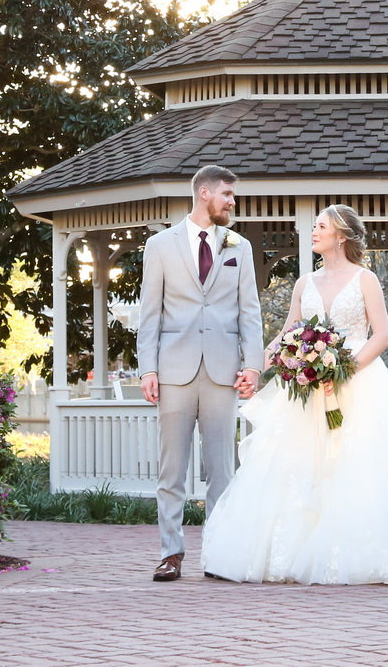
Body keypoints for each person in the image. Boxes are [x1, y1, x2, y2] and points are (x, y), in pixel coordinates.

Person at [199, 204, 388, 584]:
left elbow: (383, 335)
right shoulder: (305, 283)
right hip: (307, 389)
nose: (314, 232)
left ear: (341, 235)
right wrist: (258, 367)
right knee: (299, 465)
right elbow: (289, 332)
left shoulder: (365, 279)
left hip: (357, 384)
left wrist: (342, 370)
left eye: (321, 226)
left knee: (358, 464)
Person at [135, 164, 263, 582]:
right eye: (227, 194)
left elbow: (250, 313)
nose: (232, 202)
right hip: (173, 371)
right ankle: (171, 554)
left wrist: (253, 366)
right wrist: (147, 369)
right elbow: (149, 314)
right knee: (171, 471)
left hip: (223, 373)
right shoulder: (160, 245)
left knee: (221, 470)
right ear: (204, 193)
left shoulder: (238, 247)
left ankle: (218, 552)